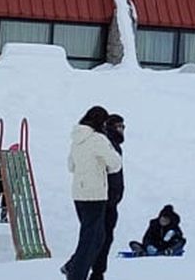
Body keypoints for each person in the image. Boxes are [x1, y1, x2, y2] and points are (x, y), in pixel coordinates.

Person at [62, 106, 123, 280]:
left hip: (79, 194)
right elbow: (115, 163)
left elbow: (71, 166)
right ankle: (76, 274)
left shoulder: (77, 139)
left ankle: (74, 269)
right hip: (95, 195)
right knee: (91, 240)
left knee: (95, 237)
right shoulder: (98, 139)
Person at [89, 114, 126, 280]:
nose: (122, 130)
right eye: (119, 126)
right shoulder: (106, 145)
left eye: (123, 127)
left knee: (104, 238)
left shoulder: (115, 146)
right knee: (97, 238)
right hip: (103, 200)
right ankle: (76, 266)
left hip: (111, 201)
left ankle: (97, 273)